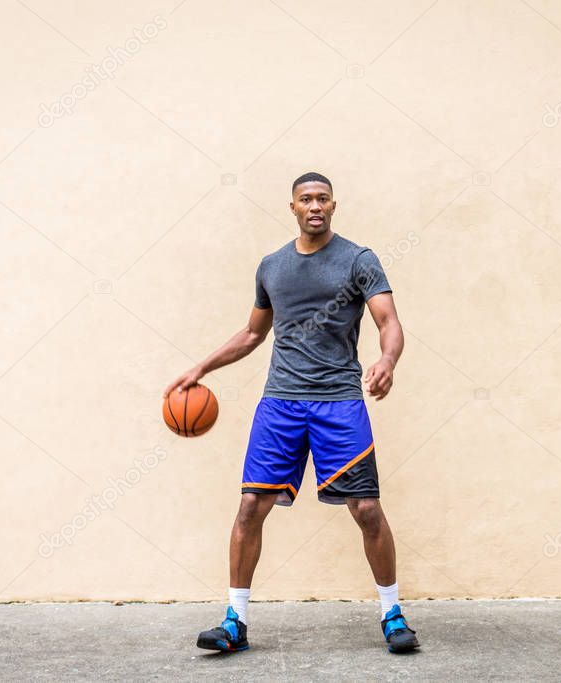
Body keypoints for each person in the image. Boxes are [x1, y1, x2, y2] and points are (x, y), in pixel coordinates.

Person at [163, 171, 418, 654]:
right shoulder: (272, 266)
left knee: (365, 509)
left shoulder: (358, 260)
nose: (315, 205)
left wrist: (386, 361)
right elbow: (252, 334)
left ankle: (393, 614)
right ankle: (234, 621)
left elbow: (389, 321)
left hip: (339, 401)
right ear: (293, 207)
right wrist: (201, 367)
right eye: (306, 199)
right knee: (249, 508)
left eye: (322, 198)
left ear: (334, 206)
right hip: (279, 403)